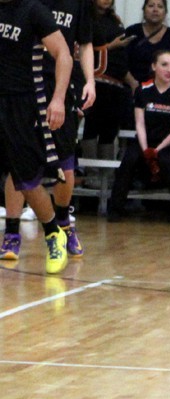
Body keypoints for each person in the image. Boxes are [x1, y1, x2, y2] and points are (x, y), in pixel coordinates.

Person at [3, 0, 96, 260]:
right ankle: (12, 233)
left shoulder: (74, 4)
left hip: (59, 87)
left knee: (65, 163)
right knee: (17, 163)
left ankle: (63, 225)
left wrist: (90, 81)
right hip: (24, 86)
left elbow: (84, 44)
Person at [0, 0, 73, 273]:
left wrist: (58, 99)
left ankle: (54, 233)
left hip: (21, 102)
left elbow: (63, 54)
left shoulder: (33, 10)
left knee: (26, 179)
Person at [107, 50, 170, 223]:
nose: (169, 69)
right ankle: (115, 209)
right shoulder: (143, 90)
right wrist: (146, 150)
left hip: (167, 143)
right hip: (144, 140)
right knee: (129, 159)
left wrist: (157, 150)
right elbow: (140, 124)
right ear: (154, 66)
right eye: (164, 64)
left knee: (167, 161)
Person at [81, 0, 131, 167]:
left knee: (110, 129)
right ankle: (91, 171)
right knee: (91, 126)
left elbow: (122, 53)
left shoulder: (115, 20)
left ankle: (106, 174)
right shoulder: (85, 18)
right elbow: (82, 48)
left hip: (116, 82)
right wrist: (110, 46)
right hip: (95, 81)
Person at [123, 0, 170, 87]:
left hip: (165, 87)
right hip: (135, 87)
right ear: (144, 10)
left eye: (160, 6)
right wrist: (132, 83)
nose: (155, 10)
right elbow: (122, 62)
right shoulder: (132, 31)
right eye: (151, 6)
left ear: (165, 12)